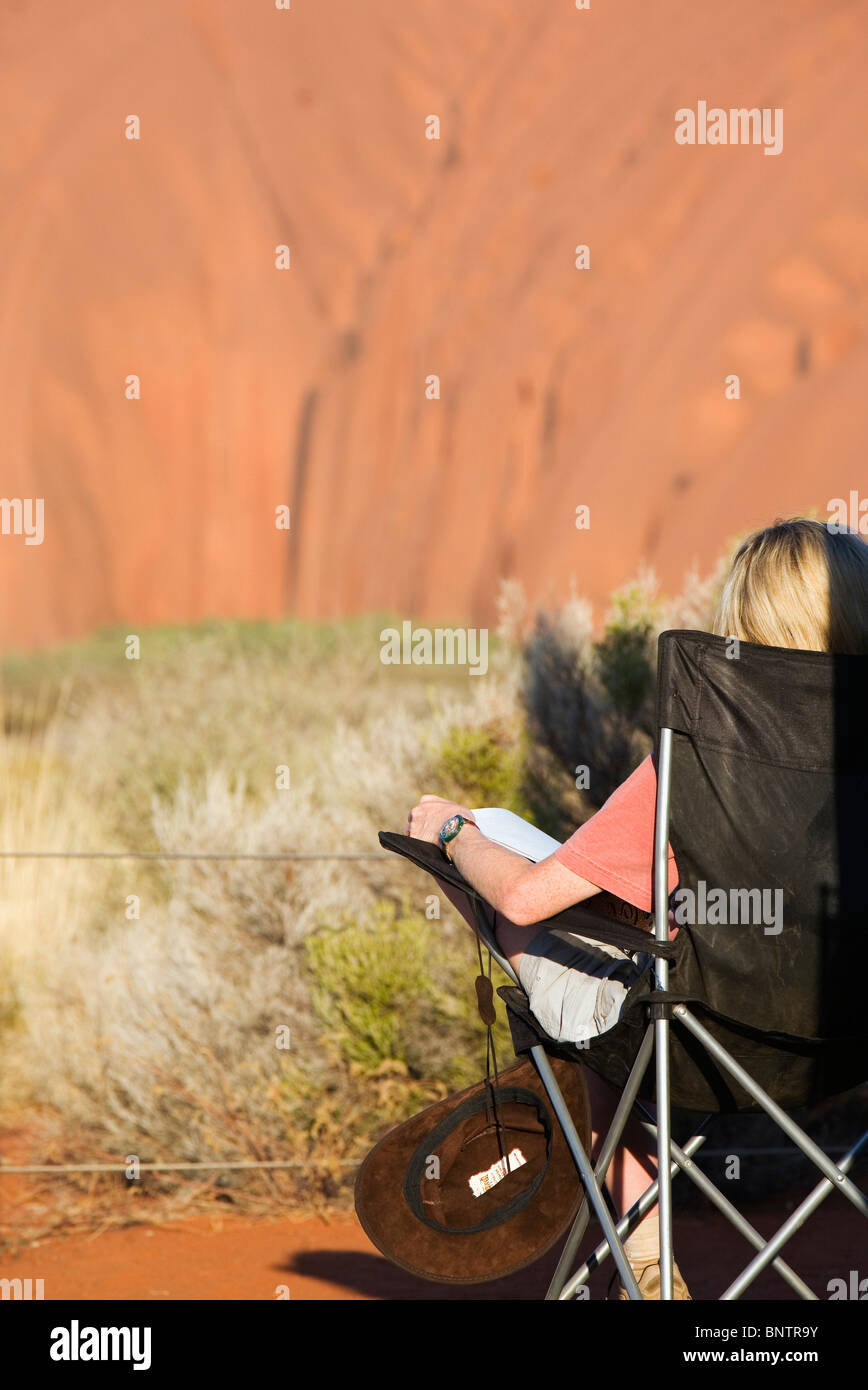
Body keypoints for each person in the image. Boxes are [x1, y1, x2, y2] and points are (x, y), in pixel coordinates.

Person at [404, 517, 868, 1299]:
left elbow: (523, 894)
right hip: (845, 1049)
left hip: (693, 1044)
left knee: (542, 930)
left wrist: (454, 834)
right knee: (630, 968)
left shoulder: (699, 756)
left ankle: (649, 1261)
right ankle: (646, 1257)